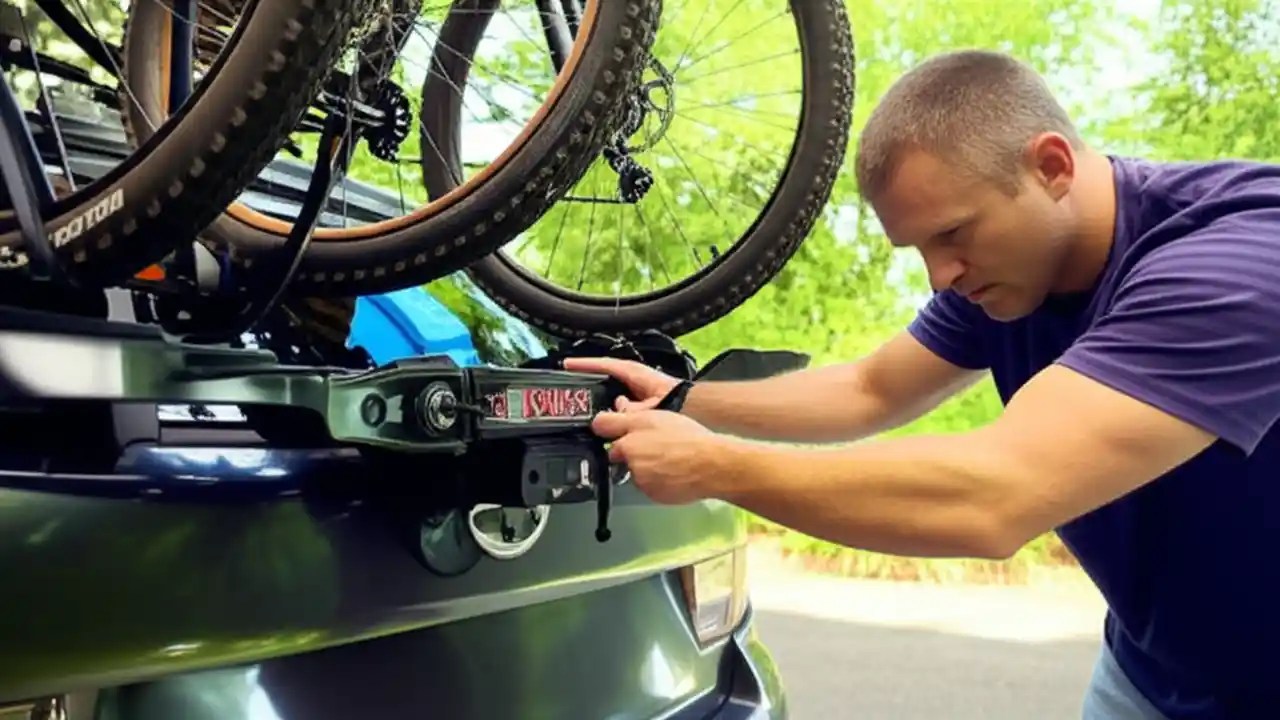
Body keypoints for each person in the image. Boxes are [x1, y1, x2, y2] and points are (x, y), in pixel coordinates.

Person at [564, 49, 1280, 719]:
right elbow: (871, 390)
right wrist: (683, 399)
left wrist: (715, 466)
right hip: (1149, 678)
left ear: (1052, 166)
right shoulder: (1010, 276)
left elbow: (997, 495)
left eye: (953, 235)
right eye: (920, 251)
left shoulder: (1237, 261)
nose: (942, 277)